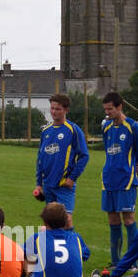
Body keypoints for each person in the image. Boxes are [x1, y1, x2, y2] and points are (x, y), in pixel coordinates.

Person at [100, 91, 138, 267]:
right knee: (113, 220)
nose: (108, 113)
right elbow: (108, 149)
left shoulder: (133, 127)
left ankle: (132, 262)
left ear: (120, 107)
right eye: (106, 109)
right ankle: (115, 261)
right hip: (108, 179)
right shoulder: (106, 127)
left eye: (111, 109)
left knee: (128, 219)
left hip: (126, 179)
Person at [32, 93, 89, 229]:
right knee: (50, 222)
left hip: (64, 184)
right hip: (48, 185)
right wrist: (39, 184)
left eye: (58, 109)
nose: (54, 112)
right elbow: (40, 159)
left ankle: (72, 248)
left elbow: (84, 156)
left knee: (67, 220)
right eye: (52, 108)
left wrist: (72, 178)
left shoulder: (73, 130)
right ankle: (53, 249)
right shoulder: (46, 131)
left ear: (66, 110)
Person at [25, 202, 92, 277]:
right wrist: (70, 230)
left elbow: (20, 253)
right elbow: (85, 255)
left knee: (26, 256)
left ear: (45, 221)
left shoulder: (37, 238)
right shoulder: (76, 238)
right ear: (66, 221)